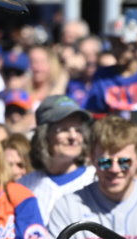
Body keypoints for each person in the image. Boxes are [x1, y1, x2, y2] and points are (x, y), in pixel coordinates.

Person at [18, 94, 95, 223]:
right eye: (64, 130)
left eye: (78, 130)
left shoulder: (95, 179)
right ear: (44, 135)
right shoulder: (25, 185)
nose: (73, 136)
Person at [84, 14, 137, 118]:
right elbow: (94, 111)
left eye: (122, 46)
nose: (116, 51)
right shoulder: (102, 75)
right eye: (113, 45)